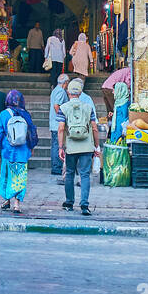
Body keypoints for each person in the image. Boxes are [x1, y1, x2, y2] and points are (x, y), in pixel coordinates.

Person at [58, 78, 100, 215]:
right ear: (80, 92)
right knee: (85, 175)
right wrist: (96, 145)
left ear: (68, 92)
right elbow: (94, 128)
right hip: (86, 147)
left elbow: (61, 128)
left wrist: (60, 147)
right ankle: (84, 205)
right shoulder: (88, 108)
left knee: (69, 173)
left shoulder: (63, 108)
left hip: (71, 146)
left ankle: (69, 203)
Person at [0, 89, 38, 214]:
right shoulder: (26, 114)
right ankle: (17, 204)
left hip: (8, 150)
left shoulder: (4, 114)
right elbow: (32, 133)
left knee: (7, 175)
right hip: (23, 151)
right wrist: (31, 147)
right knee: (19, 177)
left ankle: (7, 201)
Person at [49, 73, 69, 182]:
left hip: (53, 123)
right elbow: (57, 105)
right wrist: (62, 117)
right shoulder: (61, 91)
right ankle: (56, 167)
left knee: (55, 145)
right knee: (57, 145)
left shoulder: (55, 90)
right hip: (57, 123)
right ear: (65, 83)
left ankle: (55, 166)